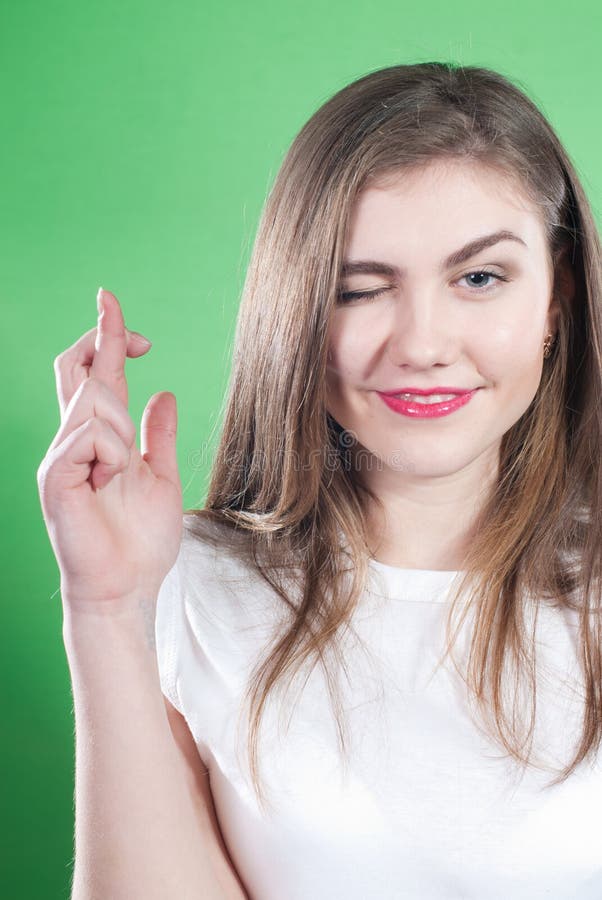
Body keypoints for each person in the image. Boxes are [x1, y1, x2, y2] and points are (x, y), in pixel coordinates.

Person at [37, 61, 602, 900]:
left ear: (555, 300)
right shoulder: (183, 584)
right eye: (360, 288)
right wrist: (107, 608)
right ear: (300, 311)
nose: (422, 343)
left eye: (479, 278)